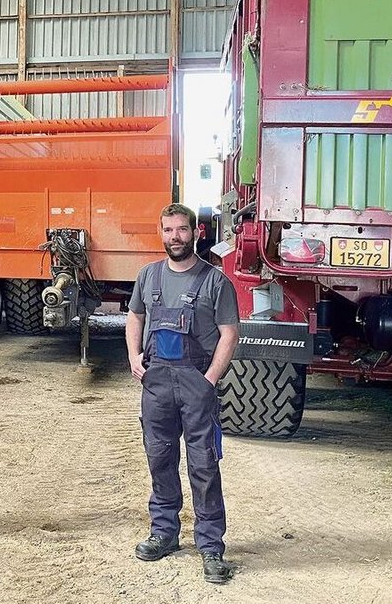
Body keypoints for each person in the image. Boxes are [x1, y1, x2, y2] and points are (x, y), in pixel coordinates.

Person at [125, 203, 240, 584]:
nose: (175, 237)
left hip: (196, 385)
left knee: (204, 466)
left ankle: (210, 546)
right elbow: (135, 317)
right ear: (161, 233)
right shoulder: (148, 276)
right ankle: (164, 533)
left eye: (182, 230)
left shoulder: (215, 281)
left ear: (196, 233)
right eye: (169, 230)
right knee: (159, 459)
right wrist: (133, 356)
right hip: (156, 384)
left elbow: (229, 333)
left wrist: (209, 379)